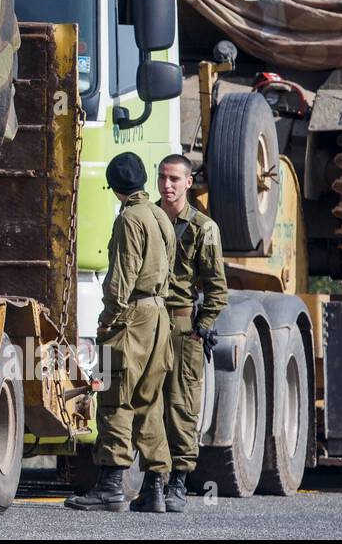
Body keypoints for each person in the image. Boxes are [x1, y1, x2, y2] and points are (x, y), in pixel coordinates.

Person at [66, 151, 175, 513]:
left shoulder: (129, 218)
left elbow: (122, 277)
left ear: (115, 188)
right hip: (160, 317)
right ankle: (155, 488)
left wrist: (108, 317)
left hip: (132, 318)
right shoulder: (161, 215)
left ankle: (111, 486)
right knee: (149, 402)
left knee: (113, 396)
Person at [155, 153, 228, 512]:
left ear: (188, 183)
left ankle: (179, 481)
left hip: (184, 326)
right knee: (147, 400)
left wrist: (202, 328)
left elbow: (217, 289)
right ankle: (154, 478)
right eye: (162, 178)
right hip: (148, 323)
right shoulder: (147, 219)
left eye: (174, 179)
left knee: (181, 404)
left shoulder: (203, 228)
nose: (167, 185)